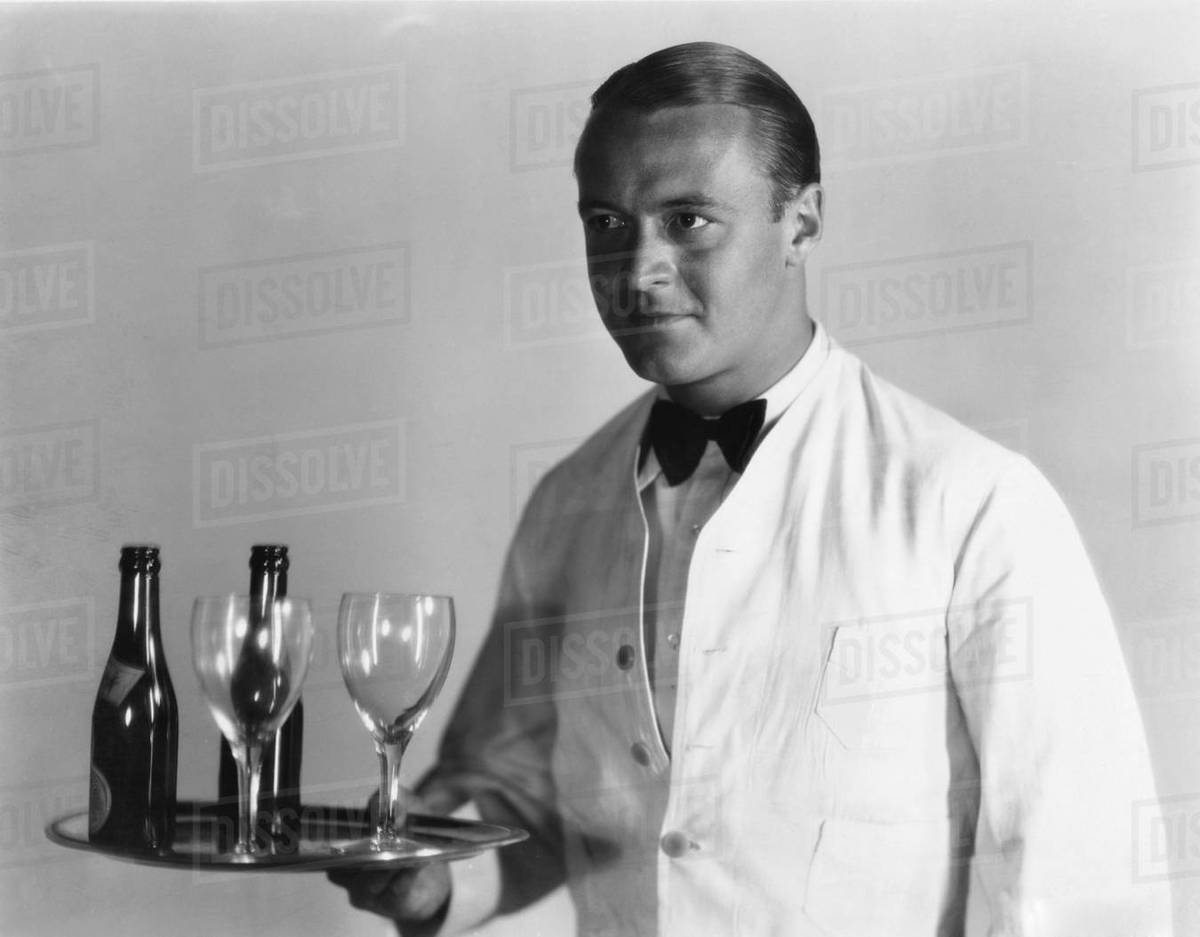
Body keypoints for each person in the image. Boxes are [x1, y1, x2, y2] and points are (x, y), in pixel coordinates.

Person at [329, 42, 1173, 936]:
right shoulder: (566, 503)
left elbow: (1078, 889)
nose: (638, 270)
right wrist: (435, 886)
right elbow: (523, 795)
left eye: (688, 219)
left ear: (802, 223)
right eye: (607, 222)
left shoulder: (973, 504)